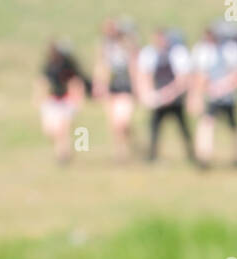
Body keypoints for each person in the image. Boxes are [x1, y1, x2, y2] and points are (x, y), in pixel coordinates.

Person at [190, 23, 237, 167]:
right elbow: (200, 75)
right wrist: (197, 95)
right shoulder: (203, 50)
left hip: (229, 96)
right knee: (206, 124)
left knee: (233, 127)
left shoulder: (231, 50)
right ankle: (204, 157)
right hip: (211, 96)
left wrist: (223, 86)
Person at [136, 27, 194, 162]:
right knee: (154, 128)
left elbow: (183, 78)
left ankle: (191, 155)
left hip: (175, 98)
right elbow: (145, 76)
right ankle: (152, 155)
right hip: (158, 98)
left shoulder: (177, 53)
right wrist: (151, 95)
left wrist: (170, 94)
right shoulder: (149, 54)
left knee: (183, 128)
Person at [36, 41, 89, 164]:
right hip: (53, 100)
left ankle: (63, 155)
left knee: (62, 130)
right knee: (49, 130)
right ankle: (61, 151)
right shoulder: (49, 65)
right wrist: (39, 98)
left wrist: (77, 100)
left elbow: (76, 82)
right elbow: (42, 81)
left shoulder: (69, 66)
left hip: (66, 100)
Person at [93, 17, 137, 161]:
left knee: (123, 122)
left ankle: (129, 143)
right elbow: (100, 66)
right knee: (114, 124)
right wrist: (99, 85)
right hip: (111, 89)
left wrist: (137, 87)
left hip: (126, 87)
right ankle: (120, 152)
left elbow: (134, 66)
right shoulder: (104, 46)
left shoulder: (127, 45)